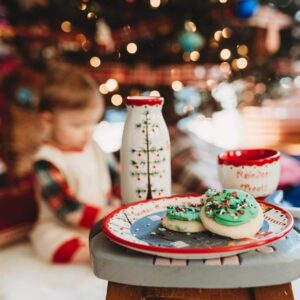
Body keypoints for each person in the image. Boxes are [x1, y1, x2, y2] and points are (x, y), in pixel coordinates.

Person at [30, 63, 121, 263]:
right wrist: (105, 216)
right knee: (51, 243)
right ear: (48, 121)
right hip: (64, 226)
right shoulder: (46, 160)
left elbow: (116, 176)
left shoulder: (94, 146)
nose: (88, 131)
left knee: (119, 235)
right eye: (78, 125)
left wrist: (123, 202)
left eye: (93, 122)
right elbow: (66, 208)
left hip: (104, 218)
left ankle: (106, 248)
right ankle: (94, 257)